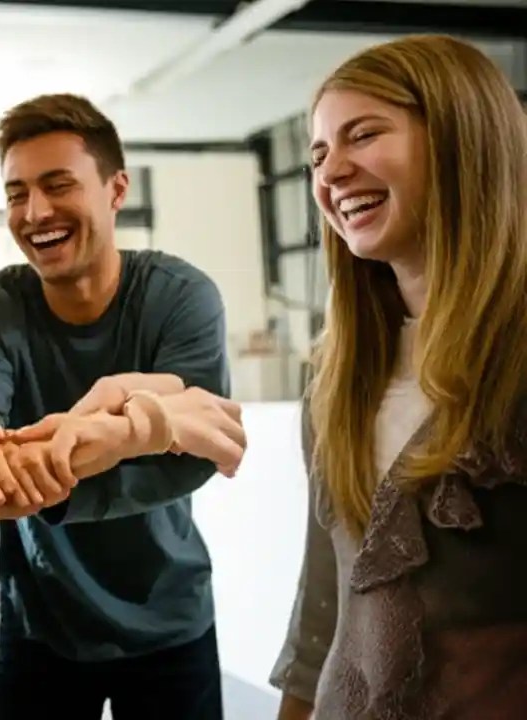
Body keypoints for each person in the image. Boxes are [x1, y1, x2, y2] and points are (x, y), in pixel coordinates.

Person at [0, 92, 243, 720]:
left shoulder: (180, 296)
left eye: (58, 185)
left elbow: (195, 459)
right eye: (16, 192)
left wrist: (55, 460)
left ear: (115, 190)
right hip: (41, 626)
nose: (35, 211)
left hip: (170, 622)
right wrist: (142, 429)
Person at [270, 34, 527, 720]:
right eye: (319, 154)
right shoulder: (336, 377)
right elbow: (326, 599)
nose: (331, 173)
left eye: (363, 135)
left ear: (460, 139)